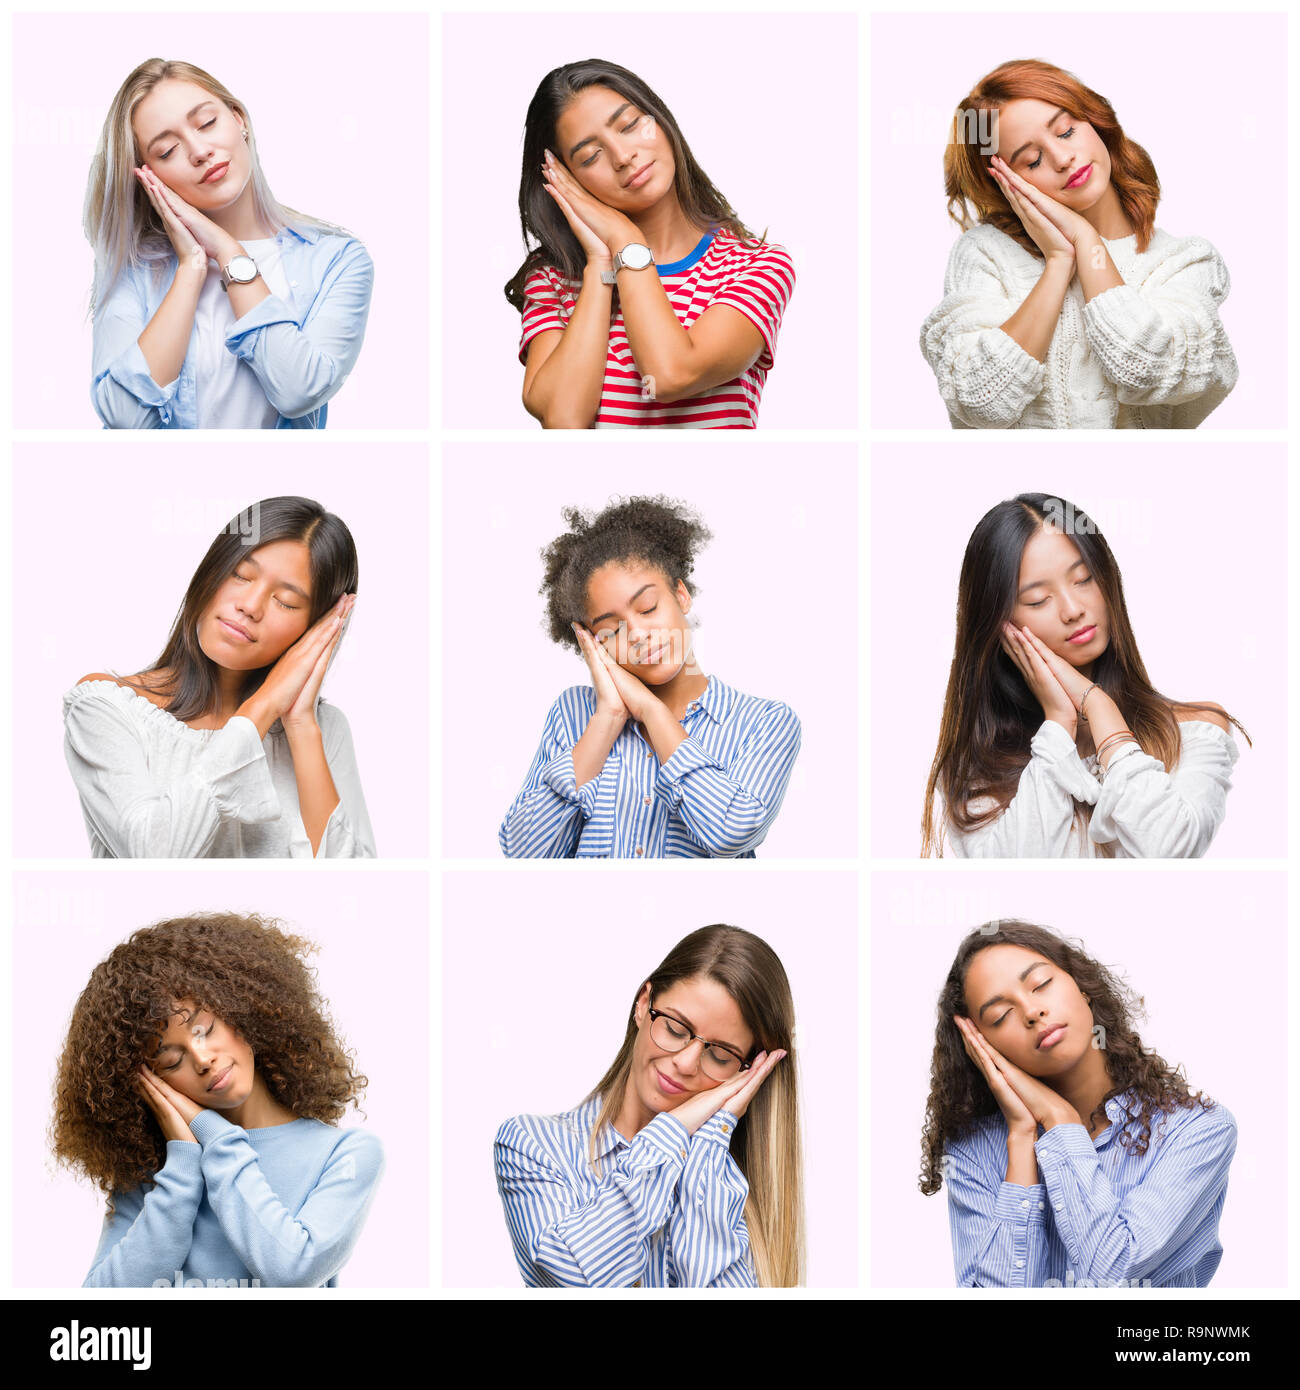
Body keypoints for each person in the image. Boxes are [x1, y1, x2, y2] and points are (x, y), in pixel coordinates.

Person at [50, 913, 385, 1288]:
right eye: (171, 1060)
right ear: (151, 1083)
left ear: (244, 1006)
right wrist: (181, 1169)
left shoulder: (346, 1154)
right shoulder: (150, 1176)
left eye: (204, 1029)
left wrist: (213, 1135)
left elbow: (293, 1272)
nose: (202, 1058)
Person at [922, 492, 1248, 857]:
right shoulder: (974, 770)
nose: (1073, 609)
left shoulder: (1195, 729)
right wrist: (1059, 723)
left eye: (1083, 579)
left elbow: (1170, 851)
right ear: (999, 628)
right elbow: (1017, 876)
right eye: (1037, 600)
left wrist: (1099, 707)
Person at [919, 59, 1238, 428]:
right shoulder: (986, 254)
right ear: (1004, 183)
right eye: (1032, 159)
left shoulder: (1185, 261)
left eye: (1066, 131)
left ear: (1095, 120)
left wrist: (1087, 242)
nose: (1062, 158)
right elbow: (979, 400)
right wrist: (1058, 261)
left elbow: (1147, 370)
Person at [919, 921, 1236, 1287]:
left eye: (1041, 984)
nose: (1031, 1012)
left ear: (1082, 986)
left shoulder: (1198, 1130)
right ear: (982, 1049)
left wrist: (1060, 1122)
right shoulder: (975, 1151)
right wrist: (1022, 1139)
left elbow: (1114, 1269)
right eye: (999, 1016)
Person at [63, 495, 375, 858]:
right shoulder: (106, 707)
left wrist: (302, 726)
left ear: (316, 628)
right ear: (211, 570)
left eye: (286, 601)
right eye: (240, 575)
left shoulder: (324, 730)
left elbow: (353, 885)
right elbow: (154, 857)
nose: (250, 606)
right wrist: (261, 707)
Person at [494, 925, 804, 1286]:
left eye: (720, 1055)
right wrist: (674, 1128)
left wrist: (709, 1140)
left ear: (747, 1072)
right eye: (674, 1028)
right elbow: (575, 1278)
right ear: (644, 1004)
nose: (686, 1063)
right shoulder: (533, 1144)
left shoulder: (729, 1189)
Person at [500, 496, 801, 857]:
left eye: (648, 608)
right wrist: (609, 718)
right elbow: (523, 855)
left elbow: (730, 833)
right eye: (612, 630)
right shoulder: (574, 714)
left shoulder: (765, 723)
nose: (638, 635)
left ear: (681, 595)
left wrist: (652, 712)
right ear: (593, 644)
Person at [86, 58, 373, 429]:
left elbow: (299, 390)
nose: (199, 151)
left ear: (239, 119)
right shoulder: (133, 271)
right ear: (149, 175)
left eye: (207, 123)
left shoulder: (338, 261)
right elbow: (126, 421)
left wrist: (229, 252)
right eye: (167, 150)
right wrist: (191, 267)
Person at [506, 60, 795, 428]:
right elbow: (564, 422)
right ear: (568, 180)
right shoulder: (552, 281)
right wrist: (599, 262)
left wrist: (626, 241)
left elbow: (672, 374)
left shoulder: (754, 265)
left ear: (659, 118)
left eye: (629, 125)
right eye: (591, 156)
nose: (623, 157)